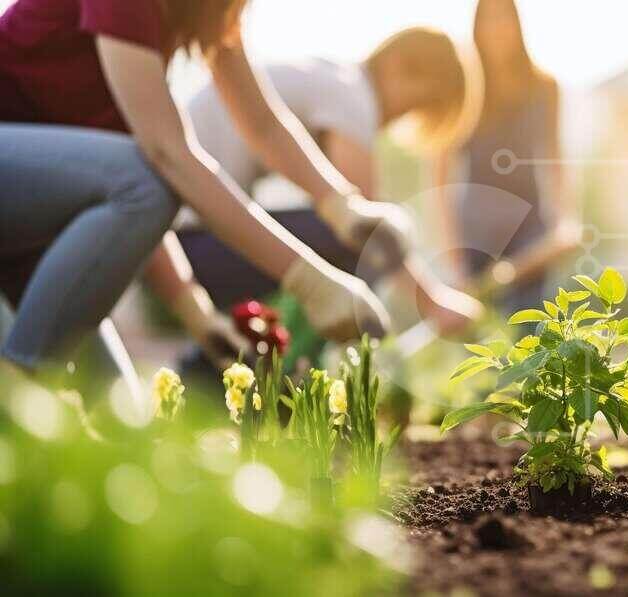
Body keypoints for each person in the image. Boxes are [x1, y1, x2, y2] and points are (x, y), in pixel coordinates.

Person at [0, 0, 412, 402]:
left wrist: (340, 205)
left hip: (33, 229)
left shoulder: (200, 13)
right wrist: (310, 282)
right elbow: (164, 160)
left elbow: (262, 124)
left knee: (116, 423)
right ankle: (12, 394)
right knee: (146, 182)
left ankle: (20, 390)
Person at [177, 27, 483, 370]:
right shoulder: (354, 96)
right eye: (411, 107)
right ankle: (293, 370)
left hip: (186, 237)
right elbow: (368, 230)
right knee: (356, 244)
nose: (395, 121)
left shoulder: (333, 78)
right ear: (397, 65)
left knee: (334, 241)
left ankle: (220, 361)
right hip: (190, 242)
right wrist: (433, 303)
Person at [433, 0, 575, 314]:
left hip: (530, 235)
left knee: (534, 325)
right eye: (489, 19)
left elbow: (555, 161)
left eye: (504, 17)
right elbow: (440, 178)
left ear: (518, 23)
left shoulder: (545, 87)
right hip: (476, 236)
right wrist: (454, 257)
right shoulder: (461, 88)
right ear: (476, 27)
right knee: (478, 333)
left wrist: (565, 220)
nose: (497, 28)